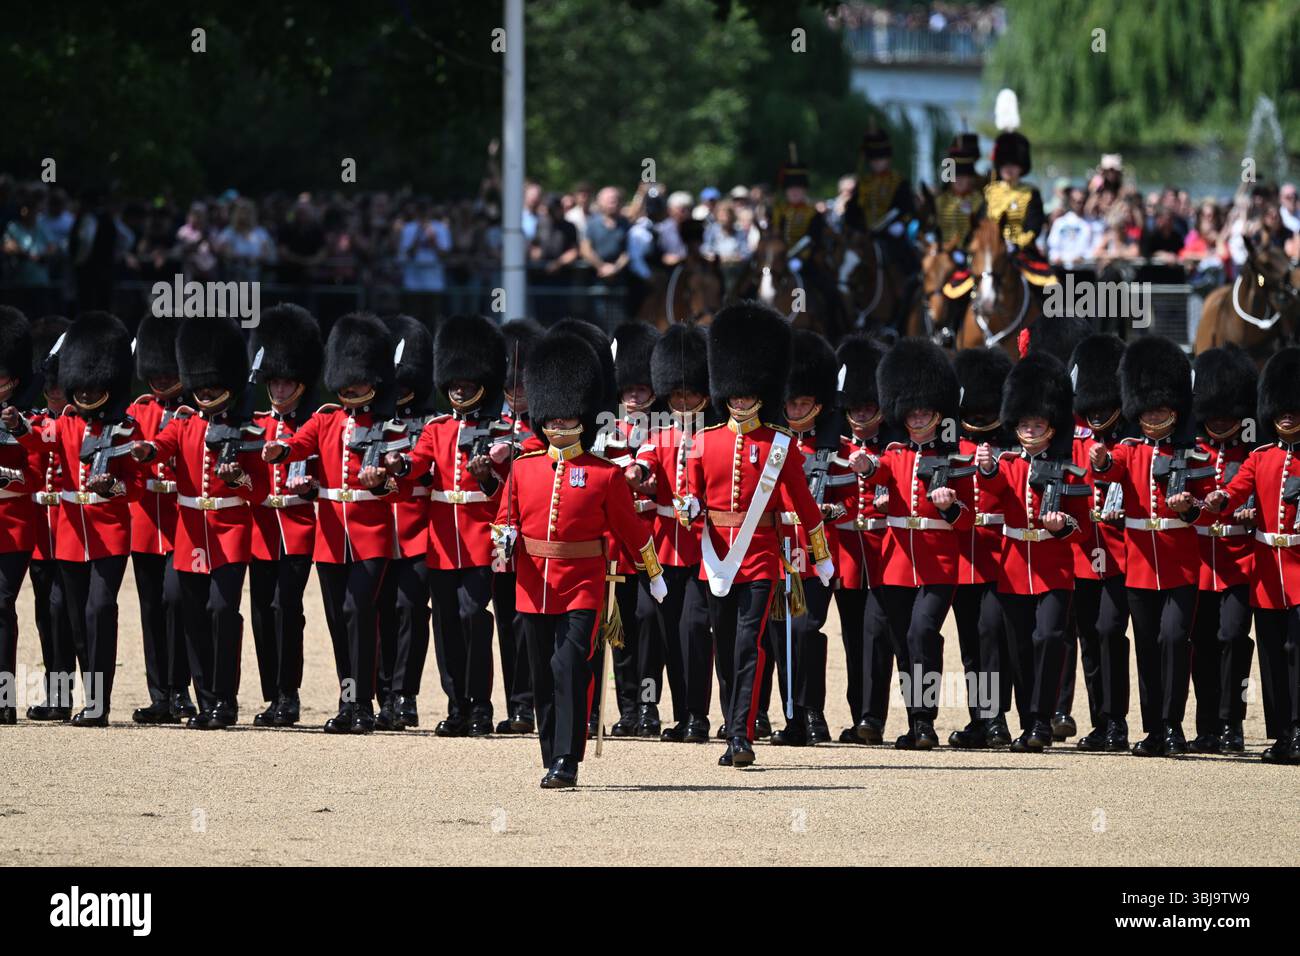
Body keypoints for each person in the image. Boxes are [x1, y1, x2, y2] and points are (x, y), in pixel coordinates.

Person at [492, 329, 668, 788]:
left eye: (571, 416)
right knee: (540, 672)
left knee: (568, 666)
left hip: (583, 585)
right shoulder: (523, 468)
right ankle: (551, 750)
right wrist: (503, 542)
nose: (562, 423)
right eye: (555, 416)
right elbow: (501, 522)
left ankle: (567, 758)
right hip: (532, 586)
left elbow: (631, 531)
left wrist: (654, 573)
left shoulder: (604, 475)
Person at [676, 303, 832, 768]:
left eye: (748, 393)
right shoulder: (704, 442)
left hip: (761, 556)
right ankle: (733, 721)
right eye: (735, 393)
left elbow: (804, 507)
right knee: (725, 646)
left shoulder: (779, 444)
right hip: (717, 557)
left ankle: (740, 736)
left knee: (749, 643)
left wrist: (819, 556)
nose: (740, 400)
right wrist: (689, 509)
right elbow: (692, 500)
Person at [262, 313, 399, 734]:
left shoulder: (387, 427)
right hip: (331, 537)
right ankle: (351, 702)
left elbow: (398, 482)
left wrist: (385, 478)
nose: (349, 388)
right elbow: (298, 443)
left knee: (358, 609)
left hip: (371, 536)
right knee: (339, 619)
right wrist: (279, 452)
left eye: (356, 381)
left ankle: (364, 704)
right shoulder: (325, 420)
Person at [131, 316, 268, 730]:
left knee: (222, 610)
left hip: (229, 530)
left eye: (212, 385)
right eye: (201, 385)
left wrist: (238, 478)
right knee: (180, 604)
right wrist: (144, 450)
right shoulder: (186, 421)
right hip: (190, 530)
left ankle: (224, 699)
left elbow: (257, 490)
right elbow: (163, 444)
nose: (206, 392)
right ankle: (206, 698)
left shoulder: (249, 427)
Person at [6, 312, 141, 726]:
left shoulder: (125, 428)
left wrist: (111, 489)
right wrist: (20, 425)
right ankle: (82, 700)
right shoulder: (65, 423)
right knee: (75, 617)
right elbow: (41, 440)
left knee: (100, 609)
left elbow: (132, 487)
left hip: (109, 532)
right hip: (68, 533)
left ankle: (98, 704)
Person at [1089, 336, 1216, 757]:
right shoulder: (1130, 448)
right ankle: (1154, 729)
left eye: (1161, 408)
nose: (1154, 415)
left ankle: (1173, 724)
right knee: (1146, 646)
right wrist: (1101, 462)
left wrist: (1192, 508)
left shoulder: (1195, 455)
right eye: (1148, 408)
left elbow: (1211, 506)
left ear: (1174, 408)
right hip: (1141, 565)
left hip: (1180, 564)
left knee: (1174, 639)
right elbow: (1112, 470)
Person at [849, 338, 976, 749]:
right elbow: (879, 470)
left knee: (922, 633)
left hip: (939, 564)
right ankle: (914, 723)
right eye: (913, 411)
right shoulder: (896, 453)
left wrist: (952, 508)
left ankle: (924, 721)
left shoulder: (955, 460)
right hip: (898, 564)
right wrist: (866, 466)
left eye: (926, 411)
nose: (919, 417)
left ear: (939, 414)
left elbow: (968, 520)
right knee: (902, 641)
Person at [975, 353, 1090, 750]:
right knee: (1020, 648)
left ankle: (1041, 720)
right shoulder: (1006, 464)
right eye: (1023, 424)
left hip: (1054, 566)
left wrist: (1063, 529)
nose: (1028, 430)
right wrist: (986, 470)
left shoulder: (1070, 468)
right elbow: (990, 498)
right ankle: (1029, 720)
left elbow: (1083, 526)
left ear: (1050, 426)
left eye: (1036, 424)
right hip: (1013, 568)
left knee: (1050, 638)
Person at [401, 314, 506, 737]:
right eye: (453, 383)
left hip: (479, 540)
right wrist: (398, 465)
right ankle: (456, 704)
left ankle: (480, 703)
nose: (459, 389)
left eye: (467, 382)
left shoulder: (499, 428)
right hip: (443, 541)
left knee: (473, 617)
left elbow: (507, 489)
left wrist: (486, 475)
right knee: (446, 622)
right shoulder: (437, 427)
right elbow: (418, 464)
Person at [1205, 348, 1300, 763]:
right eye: (1281, 410)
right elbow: (1235, 490)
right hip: (1266, 576)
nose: (1287, 417)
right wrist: (1219, 498)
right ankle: (1282, 734)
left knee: (1297, 654)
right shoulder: (1261, 457)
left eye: (1294, 410)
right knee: (1273, 659)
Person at [247, 304, 324, 728]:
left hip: (298, 529)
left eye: (286, 381)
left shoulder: (316, 422)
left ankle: (289, 693)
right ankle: (271, 694)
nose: (278, 389)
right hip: (262, 530)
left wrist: (310, 490)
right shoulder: (255, 424)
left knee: (285, 607)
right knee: (261, 609)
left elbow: (327, 477)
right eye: (273, 381)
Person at [635, 323, 713, 742]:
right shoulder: (658, 435)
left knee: (694, 631)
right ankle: (676, 712)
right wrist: (637, 474)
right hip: (664, 548)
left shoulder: (716, 438)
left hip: (704, 551)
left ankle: (696, 716)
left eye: (690, 394)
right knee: (660, 626)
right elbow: (645, 462)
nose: (682, 402)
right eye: (677, 395)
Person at [764, 330, 842, 746]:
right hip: (778, 553)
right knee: (781, 634)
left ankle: (813, 712)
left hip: (815, 555)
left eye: (803, 403)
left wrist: (832, 511)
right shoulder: (771, 446)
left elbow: (853, 498)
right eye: (790, 402)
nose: (795, 409)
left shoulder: (836, 448)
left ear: (818, 404)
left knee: (806, 628)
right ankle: (793, 716)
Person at [126, 312, 196, 725]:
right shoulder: (139, 409)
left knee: (175, 598)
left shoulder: (191, 411)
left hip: (181, 521)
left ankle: (181, 688)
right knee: (151, 607)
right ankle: (161, 695)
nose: (161, 377)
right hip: (144, 522)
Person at [1188, 346, 1258, 753]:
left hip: (1239, 561)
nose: (1219, 422)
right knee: (1202, 643)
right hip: (1199, 563)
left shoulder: (1250, 454)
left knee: (1234, 638)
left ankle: (1234, 722)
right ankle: (1208, 724)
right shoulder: (1195, 452)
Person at [1067, 334, 1132, 753]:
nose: (1097, 414)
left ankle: (1118, 721)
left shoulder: (1128, 441)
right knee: (1089, 634)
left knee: (1110, 631)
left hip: (1122, 552)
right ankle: (1099, 722)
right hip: (1080, 550)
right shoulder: (1073, 440)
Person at [829, 335, 894, 744]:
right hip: (848, 553)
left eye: (868, 407)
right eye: (855, 408)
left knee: (877, 633)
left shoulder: (894, 445)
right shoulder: (834, 445)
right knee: (852, 636)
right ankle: (860, 716)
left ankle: (877, 716)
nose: (860, 415)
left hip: (885, 552)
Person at [949, 347, 1015, 748]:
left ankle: (997, 718)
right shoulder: (953, 445)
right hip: (962, 557)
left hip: (999, 557)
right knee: (970, 642)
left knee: (992, 633)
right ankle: (980, 717)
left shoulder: (1009, 448)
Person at [607, 322, 669, 736]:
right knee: (620, 627)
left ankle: (649, 707)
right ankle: (628, 709)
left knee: (649, 622)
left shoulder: (667, 431)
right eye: (629, 389)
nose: (635, 395)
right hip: (615, 543)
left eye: (642, 389)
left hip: (652, 539)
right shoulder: (603, 432)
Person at [374, 314, 436, 731]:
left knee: (411, 611)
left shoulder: (431, 424)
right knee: (379, 613)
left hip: (417, 529)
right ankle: (383, 695)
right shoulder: (371, 421)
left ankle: (405, 693)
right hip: (377, 529)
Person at [490, 319, 544, 734]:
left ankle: (540, 699)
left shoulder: (546, 426)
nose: (516, 393)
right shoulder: (491, 423)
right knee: (507, 621)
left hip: (538, 537)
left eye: (523, 385)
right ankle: (519, 705)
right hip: (501, 539)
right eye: (511, 386)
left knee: (533, 624)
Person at [22, 315, 77, 722]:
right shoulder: (34, 421)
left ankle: (82, 694)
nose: (54, 391)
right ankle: (57, 696)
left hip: (75, 532)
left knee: (67, 611)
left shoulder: (77, 424)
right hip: (42, 534)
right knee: (46, 615)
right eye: (49, 384)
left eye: (59, 384)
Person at [978, 90, 1052, 289]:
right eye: (1005, 165)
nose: (1009, 169)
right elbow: (982, 222)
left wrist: (1015, 244)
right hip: (991, 252)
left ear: (1021, 167)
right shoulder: (990, 192)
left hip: (1022, 252)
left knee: (1050, 286)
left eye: (1013, 165)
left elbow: (1034, 226)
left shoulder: (1030, 193)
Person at [0, 307, 33, 725]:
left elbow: (43, 471)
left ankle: (4, 698)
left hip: (13, 520)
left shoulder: (29, 419)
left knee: (2, 604)